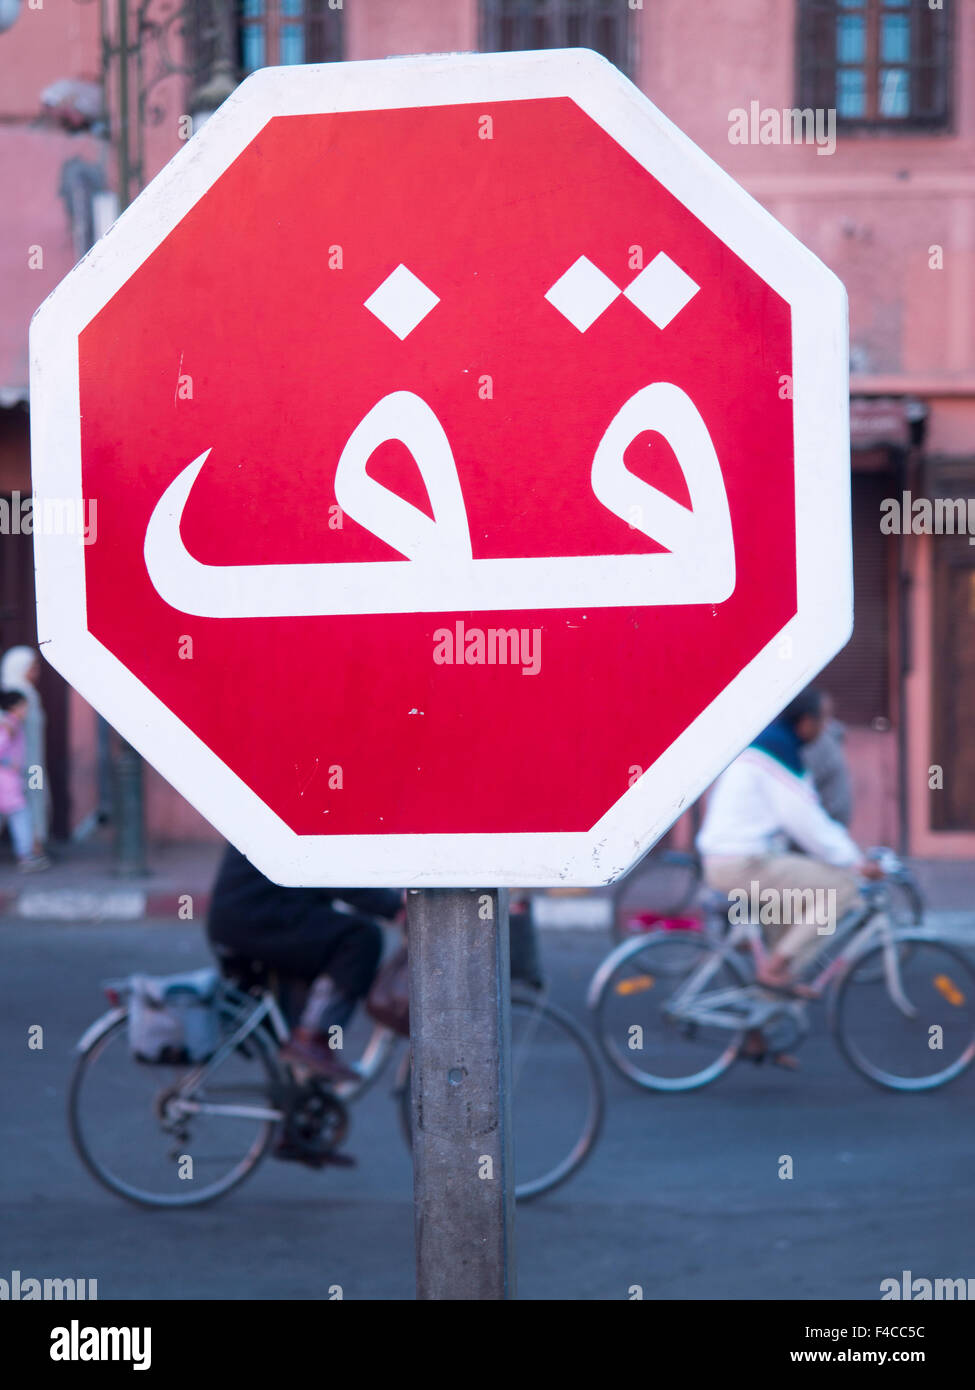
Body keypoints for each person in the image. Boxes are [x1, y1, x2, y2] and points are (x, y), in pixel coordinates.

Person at [696, 688, 882, 999]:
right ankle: (776, 969)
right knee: (842, 887)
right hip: (743, 863)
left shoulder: (770, 744)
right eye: (824, 720)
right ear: (806, 722)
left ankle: (761, 1033)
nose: (827, 727)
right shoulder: (778, 752)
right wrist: (855, 862)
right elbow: (806, 819)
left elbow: (807, 817)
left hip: (738, 859)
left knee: (790, 928)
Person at [206, 843, 401, 1086]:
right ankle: (311, 1039)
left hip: (251, 914)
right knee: (360, 938)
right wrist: (394, 907)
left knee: (328, 940)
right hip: (256, 918)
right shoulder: (310, 810)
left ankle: (301, 1088)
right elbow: (329, 872)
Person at [0, 646, 50, 858]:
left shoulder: (27, 692)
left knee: (30, 799)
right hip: (20, 765)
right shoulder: (16, 694)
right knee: (28, 801)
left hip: (31, 762)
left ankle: (34, 845)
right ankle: (32, 847)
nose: (35, 671)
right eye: (31, 667)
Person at [802, 691, 853, 827]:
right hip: (829, 824)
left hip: (824, 824)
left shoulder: (820, 742)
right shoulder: (828, 740)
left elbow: (803, 784)